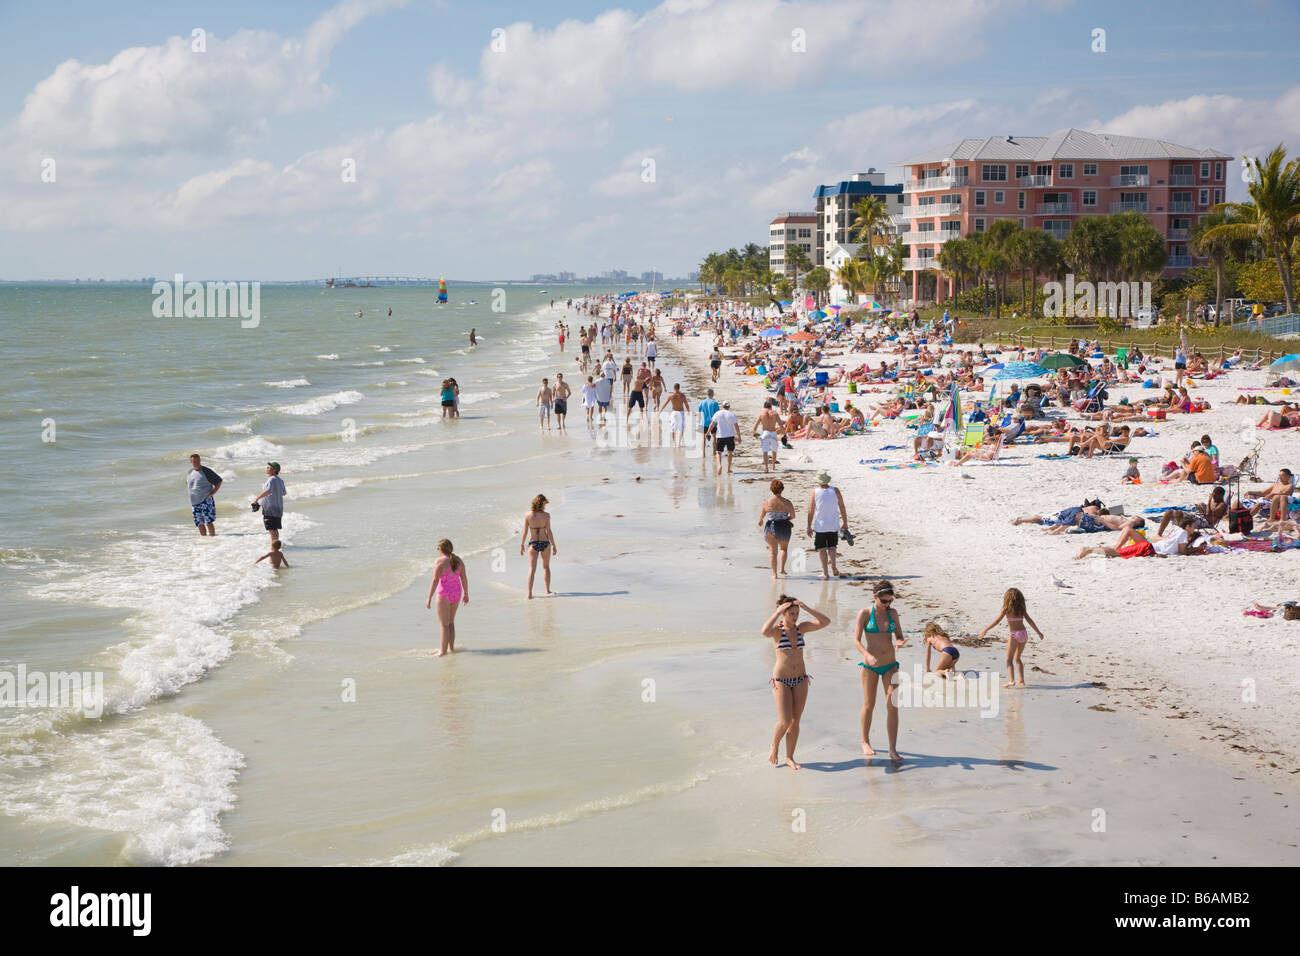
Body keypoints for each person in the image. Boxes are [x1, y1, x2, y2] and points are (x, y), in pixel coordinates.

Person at [759, 596, 831, 770]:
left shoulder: (802, 628)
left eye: (796, 613)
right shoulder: (777, 631)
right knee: (784, 721)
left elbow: (826, 621)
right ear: (784, 613)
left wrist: (806, 607)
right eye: (791, 613)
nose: (795, 616)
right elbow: (764, 631)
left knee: (795, 721)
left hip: (800, 679)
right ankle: (774, 745)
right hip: (781, 680)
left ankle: (790, 757)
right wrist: (776, 612)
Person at [854, 580, 906, 762]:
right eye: (884, 601)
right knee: (869, 704)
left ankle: (892, 748)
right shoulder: (865, 614)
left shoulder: (893, 613)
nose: (887, 604)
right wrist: (867, 655)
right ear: (875, 597)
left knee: (892, 705)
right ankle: (865, 741)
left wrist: (899, 641)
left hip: (891, 665)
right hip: (870, 667)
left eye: (890, 601)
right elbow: (856, 641)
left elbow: (899, 634)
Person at [977, 588, 1043, 688]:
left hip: (1014, 635)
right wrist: (1038, 632)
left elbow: (996, 621)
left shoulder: (1006, 609)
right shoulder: (1022, 609)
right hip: (1024, 634)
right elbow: (1030, 620)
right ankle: (1021, 680)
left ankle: (1012, 680)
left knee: (1009, 659)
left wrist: (985, 630)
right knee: (1018, 658)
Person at [425, 538, 469, 656]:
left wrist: (429, 597)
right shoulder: (459, 560)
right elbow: (464, 578)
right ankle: (451, 649)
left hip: (444, 594)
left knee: (444, 625)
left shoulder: (439, 562)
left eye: (438, 548)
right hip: (457, 594)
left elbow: (435, 581)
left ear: (441, 550)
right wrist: (466, 594)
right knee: (450, 623)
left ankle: (442, 652)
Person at [807, 471, 849, 579]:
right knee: (832, 547)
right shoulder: (835, 490)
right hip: (833, 524)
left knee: (822, 549)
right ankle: (834, 566)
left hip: (820, 526)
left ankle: (825, 573)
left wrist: (808, 526)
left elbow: (811, 510)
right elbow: (842, 507)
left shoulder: (815, 492)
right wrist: (845, 522)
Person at [758, 478, 796, 579]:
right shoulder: (787, 502)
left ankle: (774, 574)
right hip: (784, 527)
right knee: (783, 549)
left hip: (771, 527)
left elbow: (762, 516)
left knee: (773, 552)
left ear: (772, 489)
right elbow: (793, 515)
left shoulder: (767, 502)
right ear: (782, 489)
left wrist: (761, 521)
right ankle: (782, 569)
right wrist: (786, 518)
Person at [520, 493, 556, 599]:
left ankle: (529, 594)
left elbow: (525, 532)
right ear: (543, 504)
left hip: (533, 543)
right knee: (546, 567)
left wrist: (522, 544)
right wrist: (554, 545)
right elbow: (549, 531)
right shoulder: (546, 515)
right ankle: (547, 590)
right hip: (545, 543)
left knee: (532, 569)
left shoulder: (527, 515)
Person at [250, 461, 287, 545]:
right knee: (275, 529)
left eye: (269, 467)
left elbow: (268, 491)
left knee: (271, 530)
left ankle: (274, 548)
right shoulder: (280, 480)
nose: (267, 468)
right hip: (278, 509)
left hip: (270, 509)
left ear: (274, 470)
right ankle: (277, 547)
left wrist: (257, 498)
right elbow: (284, 493)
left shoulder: (271, 479)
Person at [186, 453, 222, 536]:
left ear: (200, 460)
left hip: (206, 500)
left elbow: (219, 481)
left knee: (208, 521)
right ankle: (204, 541)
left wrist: (213, 492)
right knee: (199, 523)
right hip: (194, 502)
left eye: (197, 461)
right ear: (191, 462)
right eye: (194, 461)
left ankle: (213, 539)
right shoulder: (190, 472)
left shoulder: (206, 471)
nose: (196, 463)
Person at [752, 400, 784, 473]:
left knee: (765, 451)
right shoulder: (775, 413)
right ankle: (773, 466)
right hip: (773, 433)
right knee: (774, 450)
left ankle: (766, 468)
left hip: (765, 433)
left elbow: (755, 426)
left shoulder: (761, 414)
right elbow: (780, 424)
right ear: (771, 406)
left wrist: (754, 433)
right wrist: (783, 433)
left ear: (764, 406)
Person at [710, 400, 740, 475]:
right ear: (729, 406)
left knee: (718, 452)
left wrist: (707, 433)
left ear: (722, 406)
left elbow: (712, 424)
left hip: (720, 435)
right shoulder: (732, 414)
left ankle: (719, 465)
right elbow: (736, 426)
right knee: (730, 452)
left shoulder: (717, 413)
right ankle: (728, 469)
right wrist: (739, 436)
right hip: (730, 435)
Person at [659, 383, 690, 448]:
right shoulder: (683, 396)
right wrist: (688, 411)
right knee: (681, 429)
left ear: (674, 388)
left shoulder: (671, 396)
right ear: (679, 388)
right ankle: (679, 443)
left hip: (674, 413)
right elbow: (686, 404)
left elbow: (665, 403)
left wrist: (660, 410)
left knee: (673, 429)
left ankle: (675, 444)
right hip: (681, 412)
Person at [697, 388, 719, 459]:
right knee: (714, 438)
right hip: (712, 423)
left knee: (703, 439)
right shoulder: (714, 403)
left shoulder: (702, 402)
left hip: (703, 423)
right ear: (712, 394)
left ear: (707, 394)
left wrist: (698, 421)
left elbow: (699, 413)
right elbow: (717, 414)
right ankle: (714, 453)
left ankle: (703, 454)